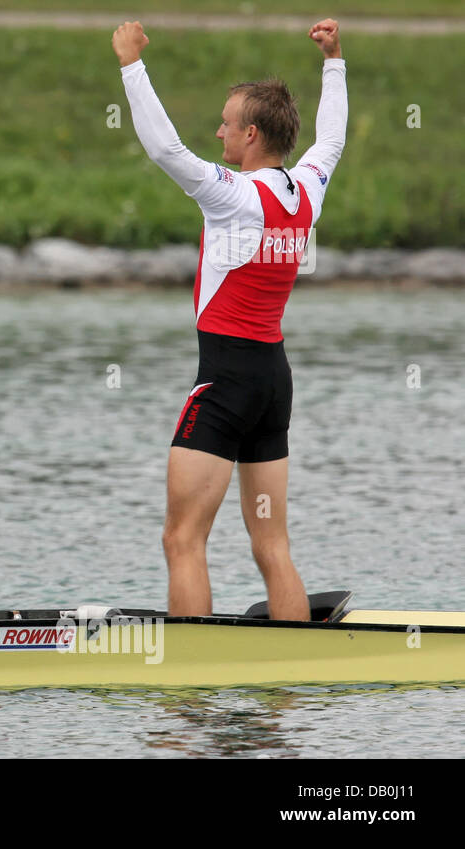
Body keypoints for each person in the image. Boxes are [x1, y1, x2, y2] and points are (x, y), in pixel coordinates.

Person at [112, 19, 347, 618]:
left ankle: (191, 686)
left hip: (226, 383)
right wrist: (333, 61)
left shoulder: (234, 195)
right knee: (272, 542)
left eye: (224, 122)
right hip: (273, 381)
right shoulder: (308, 189)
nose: (216, 130)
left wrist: (130, 65)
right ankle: (290, 682)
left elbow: (165, 150)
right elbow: (333, 140)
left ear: (249, 134)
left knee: (182, 538)